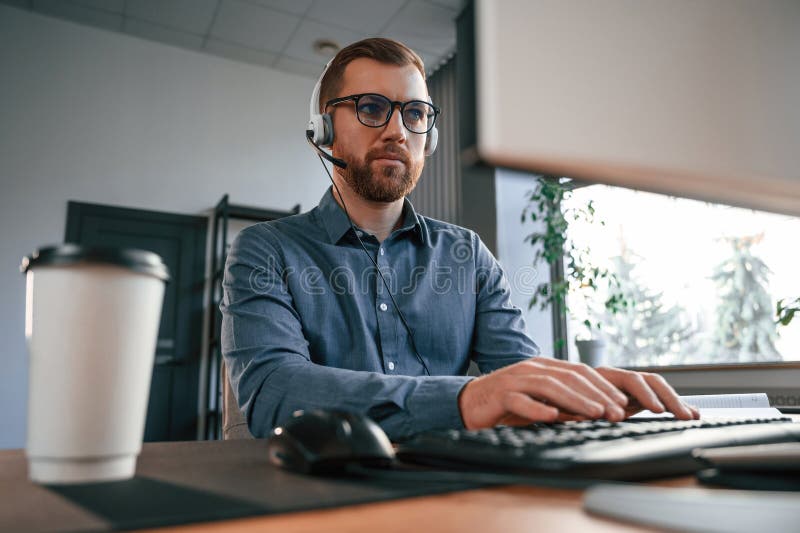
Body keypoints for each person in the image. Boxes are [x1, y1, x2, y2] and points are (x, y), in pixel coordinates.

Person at [220, 37, 699, 441]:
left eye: (414, 113)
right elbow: (272, 392)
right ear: (324, 130)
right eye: (370, 108)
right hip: (322, 494)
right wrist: (466, 398)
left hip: (456, 487)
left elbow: (517, 373)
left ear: (428, 136)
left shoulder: (467, 254)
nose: (396, 130)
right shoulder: (265, 250)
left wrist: (581, 391)